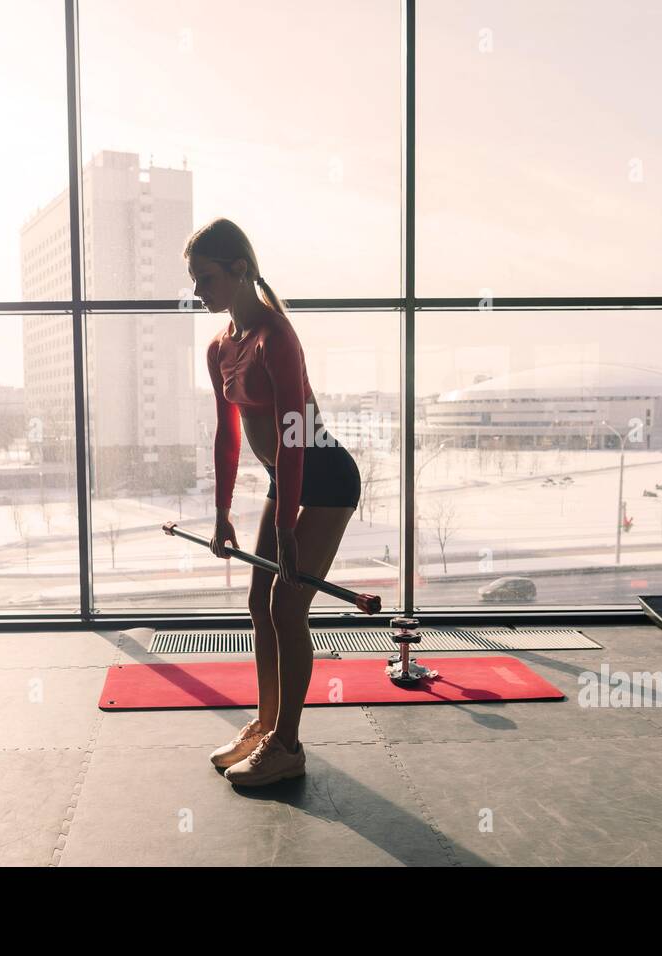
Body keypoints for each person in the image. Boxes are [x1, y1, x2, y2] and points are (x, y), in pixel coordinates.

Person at [191, 217, 361, 787]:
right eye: (195, 280)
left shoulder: (277, 338)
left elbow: (293, 435)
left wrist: (287, 527)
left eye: (206, 277)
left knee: (289, 610)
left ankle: (288, 746)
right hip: (282, 479)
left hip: (325, 478)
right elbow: (227, 437)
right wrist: (220, 514)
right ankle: (265, 726)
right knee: (257, 605)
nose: (198, 292)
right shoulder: (220, 349)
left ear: (239, 270)